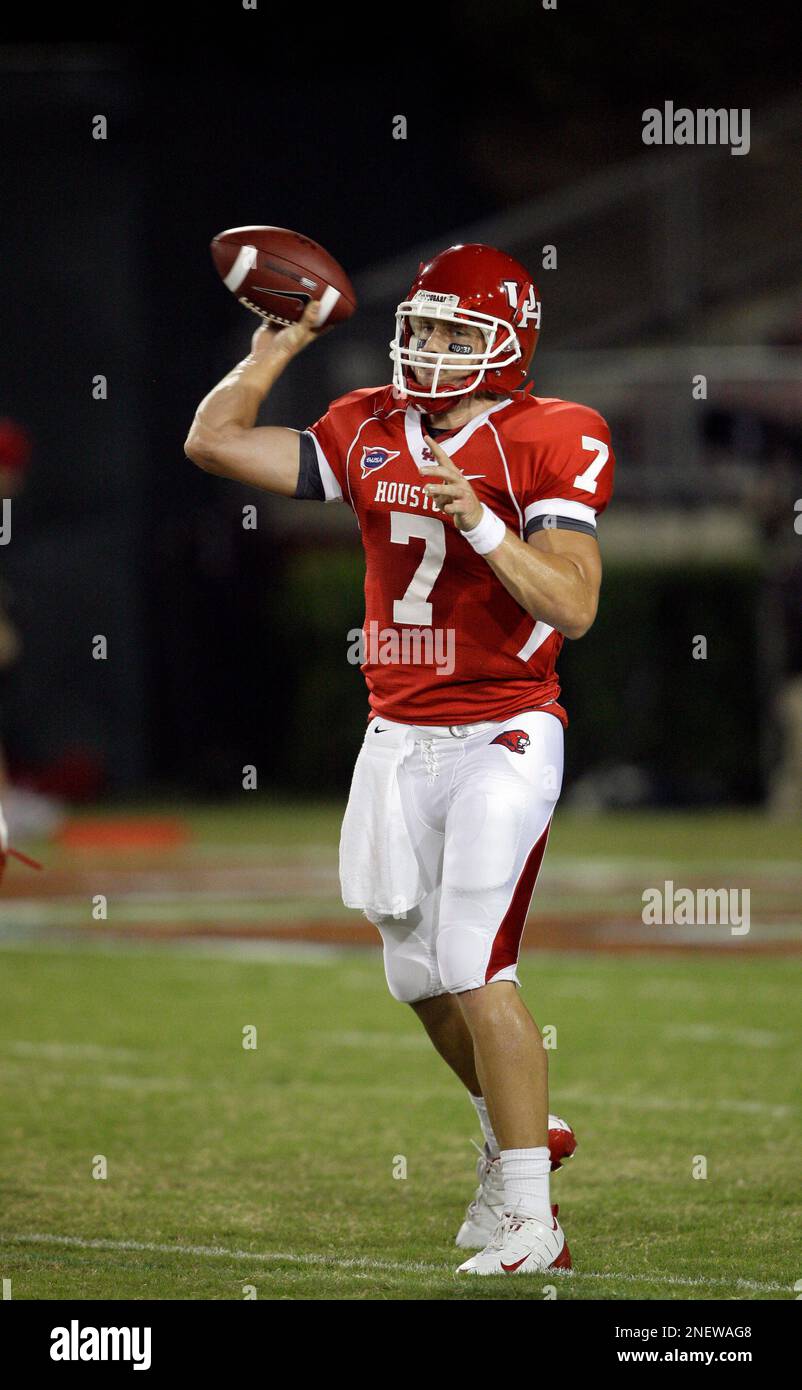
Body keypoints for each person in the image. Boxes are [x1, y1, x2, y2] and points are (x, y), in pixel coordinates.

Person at [185, 242, 615, 1275]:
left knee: (474, 963)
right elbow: (214, 441)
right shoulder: (368, 422)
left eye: (454, 334)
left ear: (507, 346)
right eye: (418, 329)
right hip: (397, 733)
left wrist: (483, 526)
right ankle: (517, 1136)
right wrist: (274, 347)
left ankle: (533, 1222)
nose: (427, 350)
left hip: (504, 728)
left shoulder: (554, 433)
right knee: (415, 974)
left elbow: (574, 606)